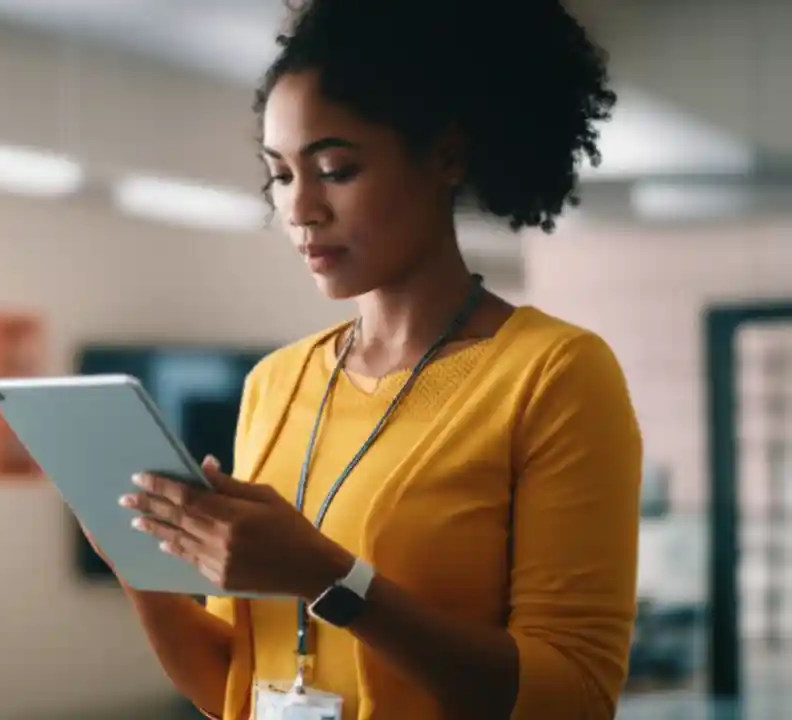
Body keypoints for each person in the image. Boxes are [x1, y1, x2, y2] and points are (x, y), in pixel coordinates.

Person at [109, 1, 640, 718]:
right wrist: (134, 559)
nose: (300, 210)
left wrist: (327, 577)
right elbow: (234, 686)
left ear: (448, 156)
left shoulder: (554, 374)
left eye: (334, 168)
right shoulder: (275, 383)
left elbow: (572, 696)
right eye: (281, 176)